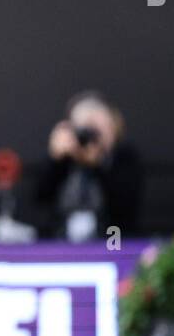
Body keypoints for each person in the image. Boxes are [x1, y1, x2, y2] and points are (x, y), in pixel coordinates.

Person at [35, 91, 144, 241]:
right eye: (84, 129)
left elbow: (125, 207)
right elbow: (39, 199)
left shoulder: (124, 158)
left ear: (113, 127)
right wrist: (55, 160)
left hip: (114, 240)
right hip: (61, 242)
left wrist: (98, 164)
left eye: (97, 128)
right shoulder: (64, 161)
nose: (90, 137)